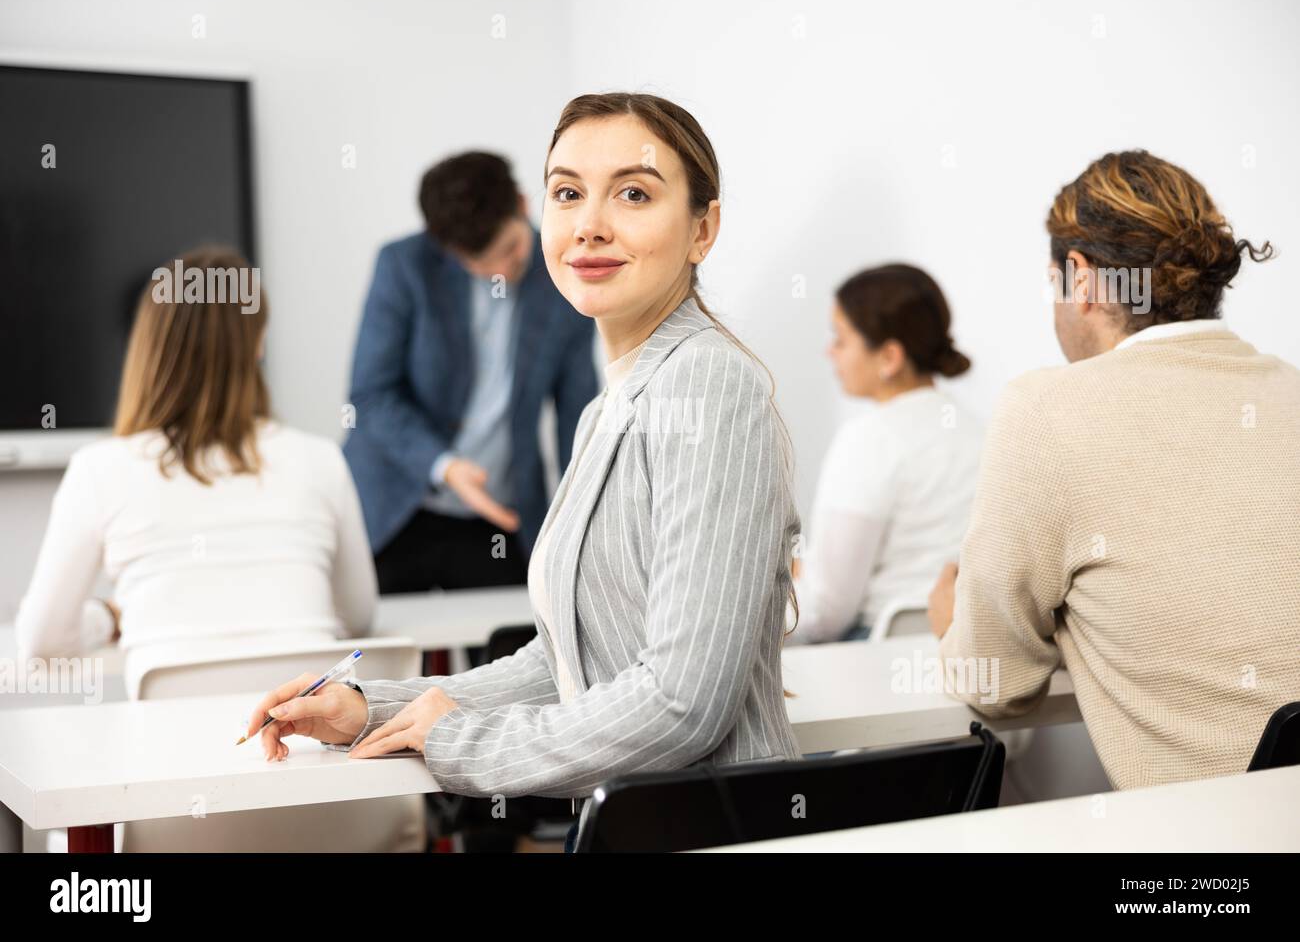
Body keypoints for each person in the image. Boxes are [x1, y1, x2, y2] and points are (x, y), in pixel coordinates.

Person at [249, 93, 803, 853]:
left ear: (702, 228)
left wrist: (460, 745)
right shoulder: (613, 404)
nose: (589, 224)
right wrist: (370, 706)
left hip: (713, 829)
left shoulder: (705, 385)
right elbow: (570, 658)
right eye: (568, 192)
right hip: (639, 824)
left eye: (634, 194)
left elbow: (682, 705)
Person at [928, 150, 1299, 789]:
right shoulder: (1290, 390)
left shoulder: (1045, 408)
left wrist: (949, 617)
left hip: (1204, 875)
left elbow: (997, 684)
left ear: (1079, 277)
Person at [16, 246, 376, 699]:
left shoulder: (99, 470)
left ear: (146, 345)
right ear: (257, 343)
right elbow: (359, 617)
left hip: (168, 757)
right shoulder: (321, 459)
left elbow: (42, 643)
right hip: (307, 746)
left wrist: (110, 617)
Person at [343, 152, 599, 594]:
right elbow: (371, 396)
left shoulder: (566, 277)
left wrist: (584, 518)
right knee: (386, 656)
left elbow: (578, 415)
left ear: (522, 204)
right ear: (446, 247)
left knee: (517, 646)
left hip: (499, 516)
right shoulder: (403, 266)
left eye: (510, 250)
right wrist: (444, 467)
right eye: (481, 265)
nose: (502, 271)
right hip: (395, 506)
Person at [786, 264, 983, 644]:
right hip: (960, 650)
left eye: (841, 339)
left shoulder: (868, 439)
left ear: (889, 357)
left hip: (873, 662)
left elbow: (826, 613)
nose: (830, 352)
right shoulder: (980, 431)